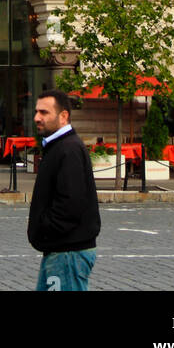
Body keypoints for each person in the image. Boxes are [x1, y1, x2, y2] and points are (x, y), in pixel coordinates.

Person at [28, 90, 101, 292]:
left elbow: (70, 204)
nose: (37, 118)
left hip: (67, 253)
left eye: (44, 112)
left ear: (63, 116)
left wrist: (45, 229)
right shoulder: (58, 147)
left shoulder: (68, 149)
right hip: (61, 251)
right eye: (36, 112)